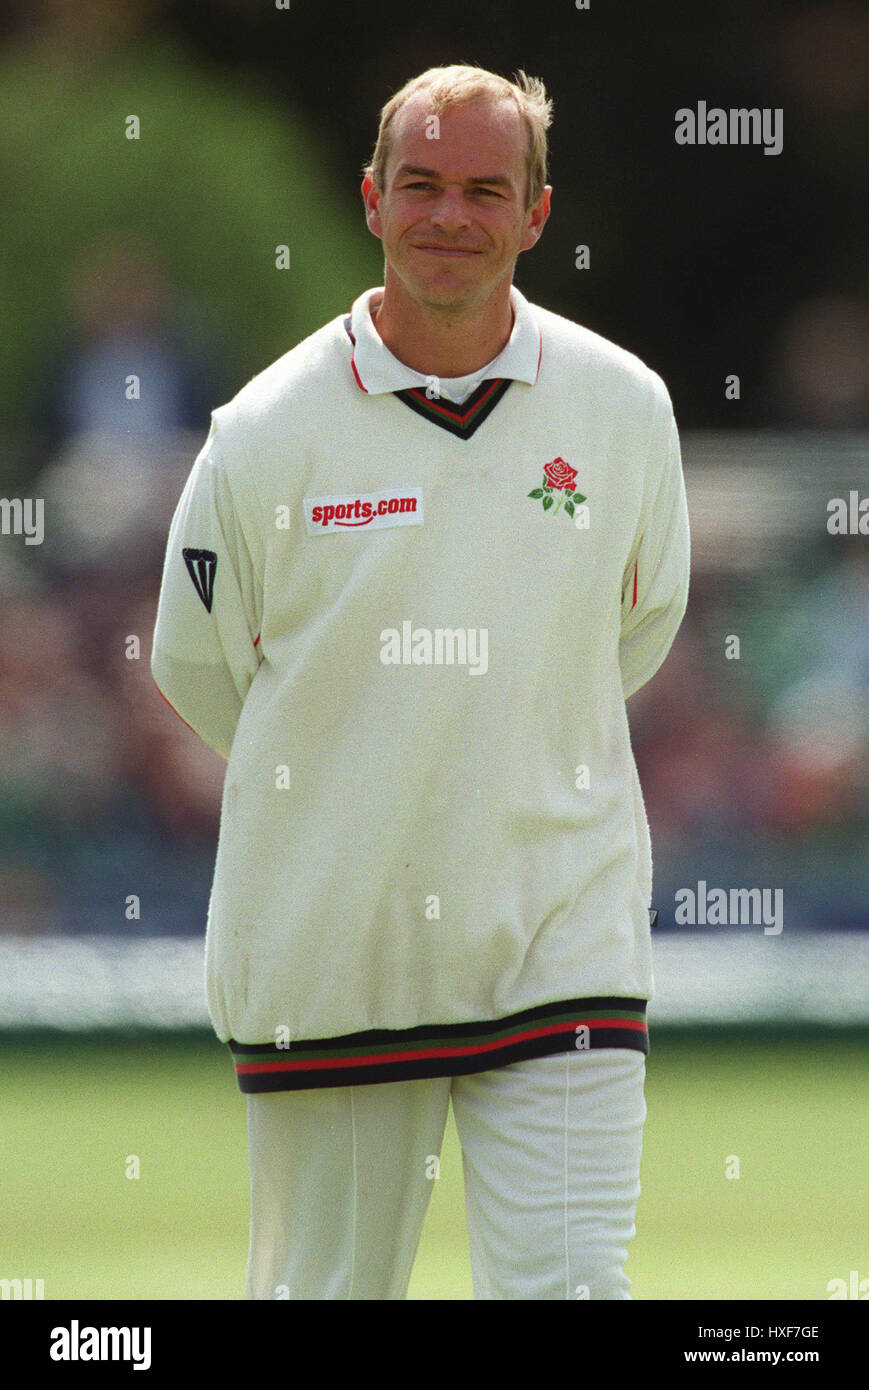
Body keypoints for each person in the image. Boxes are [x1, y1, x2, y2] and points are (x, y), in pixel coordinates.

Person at [150, 64, 690, 1300]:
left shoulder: (622, 407)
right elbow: (194, 661)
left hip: (562, 931)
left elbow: (637, 628)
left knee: (572, 1289)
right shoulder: (264, 431)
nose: (451, 215)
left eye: (484, 189)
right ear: (371, 200)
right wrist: (351, 770)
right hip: (334, 948)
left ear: (536, 215)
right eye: (422, 185)